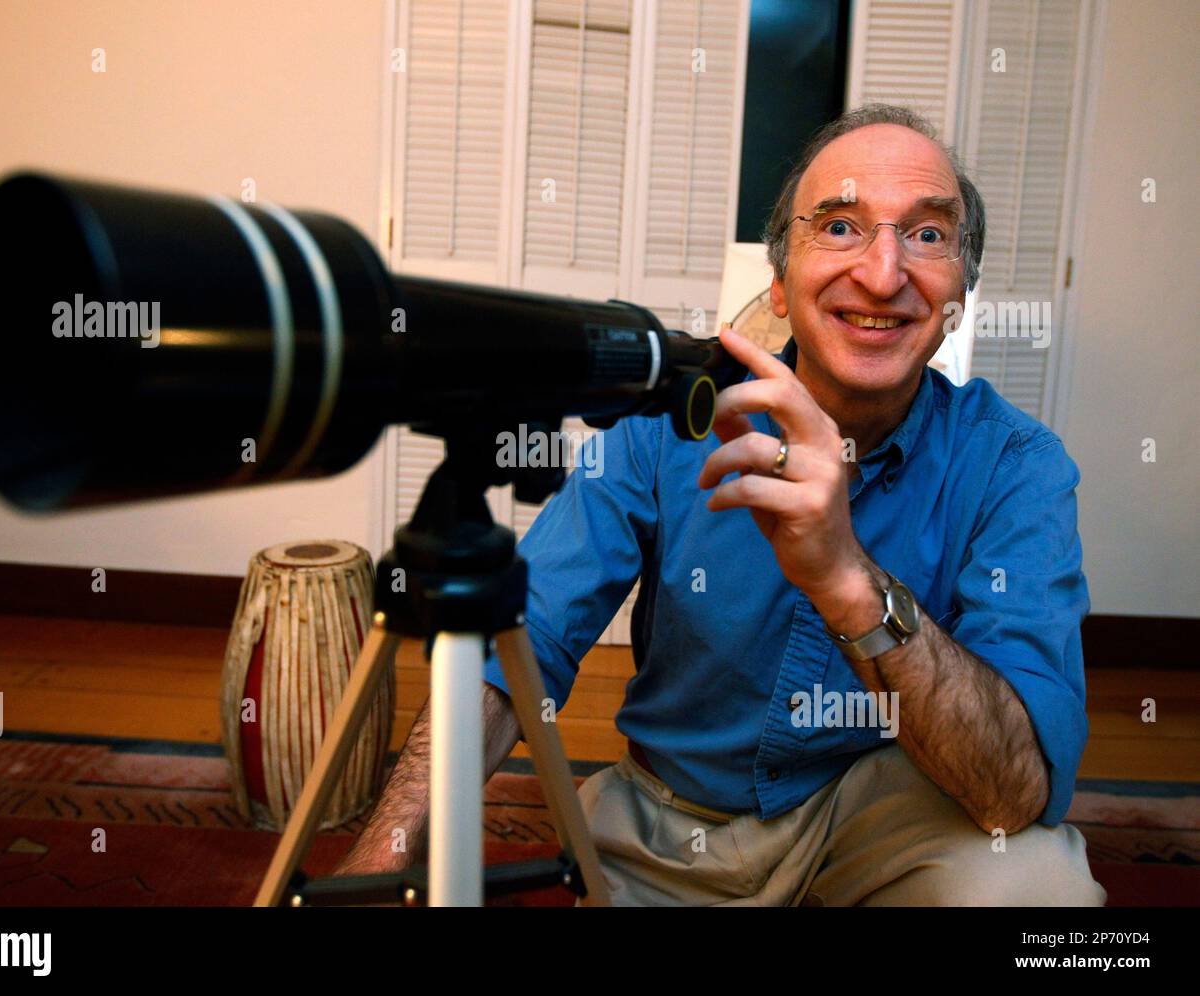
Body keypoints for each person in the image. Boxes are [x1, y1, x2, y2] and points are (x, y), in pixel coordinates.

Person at [337, 103, 1107, 906]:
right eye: (840, 227)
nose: (884, 274)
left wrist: (847, 579)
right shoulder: (667, 421)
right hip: (668, 829)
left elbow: (1013, 791)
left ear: (960, 289)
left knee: (1041, 894)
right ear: (779, 279)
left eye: (927, 235)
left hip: (882, 818)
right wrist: (381, 854)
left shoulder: (1017, 466)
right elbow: (517, 649)